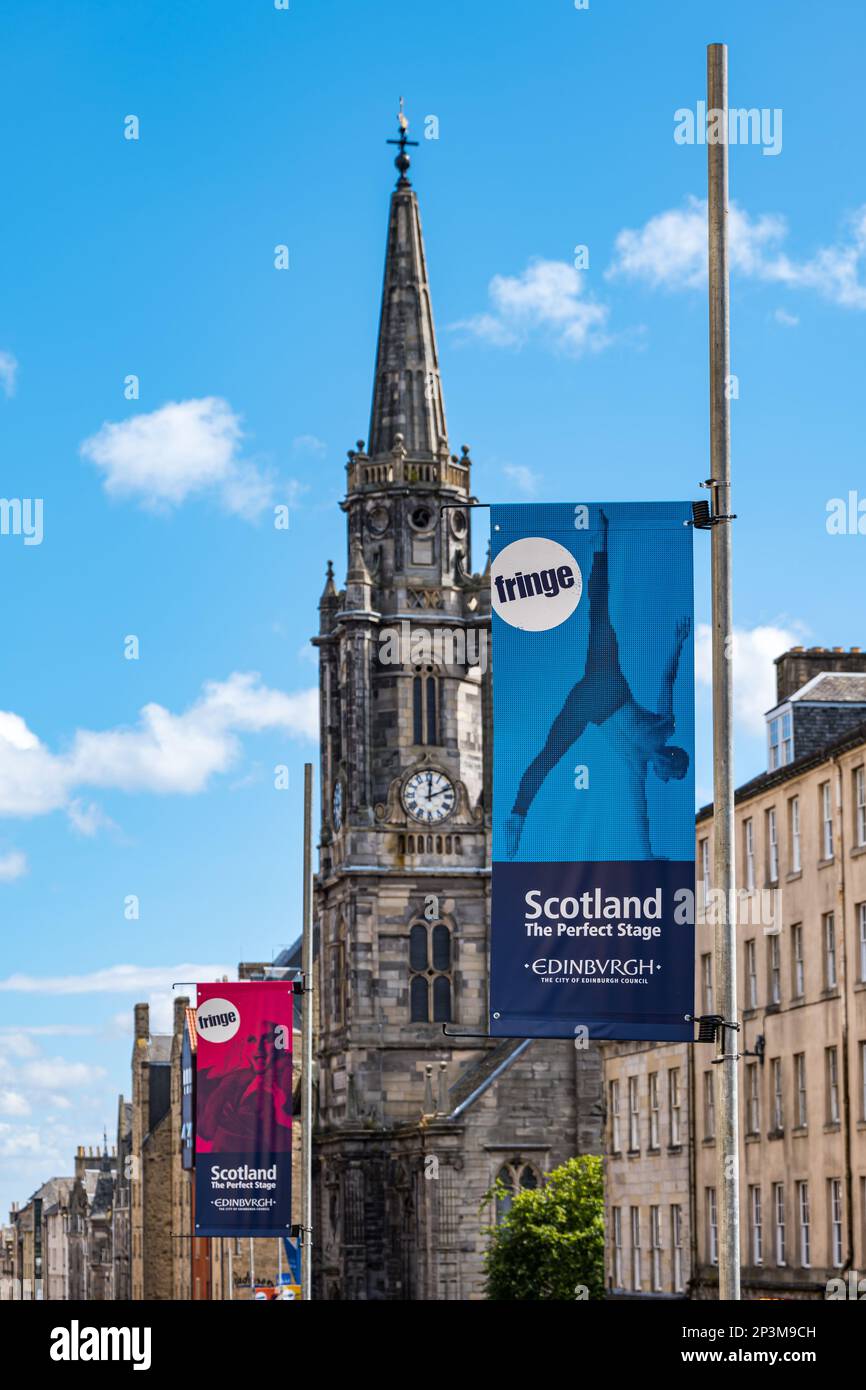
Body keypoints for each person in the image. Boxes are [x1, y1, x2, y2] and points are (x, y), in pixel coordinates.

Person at [505, 510, 690, 861]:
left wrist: (648, 857)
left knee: (547, 755)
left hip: (592, 701)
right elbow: (667, 680)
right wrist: (677, 644)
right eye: (672, 777)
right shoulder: (665, 728)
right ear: (671, 762)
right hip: (608, 688)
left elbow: (641, 817)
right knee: (599, 612)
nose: (665, 781)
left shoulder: (640, 763)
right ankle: (600, 546)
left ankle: (517, 816)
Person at [198, 1020, 293, 1153]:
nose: (259, 1049)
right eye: (251, 1040)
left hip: (262, 1168)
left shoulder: (284, 1075)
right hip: (227, 1168)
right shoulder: (235, 1079)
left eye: (267, 1040)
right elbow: (206, 1129)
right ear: (243, 1045)